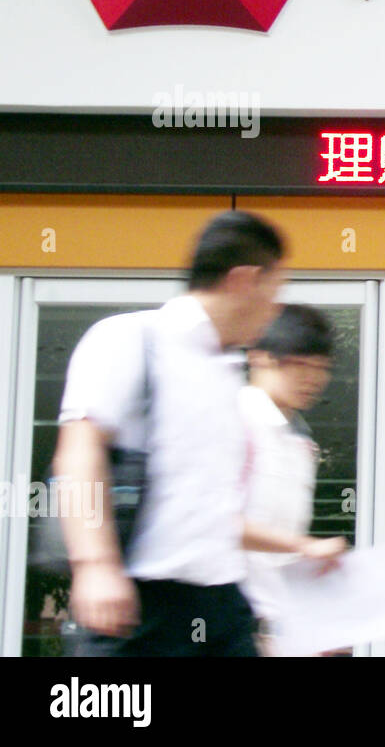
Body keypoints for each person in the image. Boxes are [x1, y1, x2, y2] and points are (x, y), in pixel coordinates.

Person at [53, 210, 299, 656]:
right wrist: (94, 564)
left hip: (221, 607)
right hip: (141, 607)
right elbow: (79, 454)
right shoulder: (130, 339)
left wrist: (301, 550)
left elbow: (215, 513)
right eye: (274, 291)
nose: (275, 310)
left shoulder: (228, 377)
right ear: (243, 281)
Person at [239, 304, 348, 655]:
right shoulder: (234, 422)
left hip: (274, 635)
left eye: (322, 368)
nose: (313, 379)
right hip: (220, 625)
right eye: (301, 365)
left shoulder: (299, 442)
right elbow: (209, 519)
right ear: (261, 358)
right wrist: (303, 547)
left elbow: (278, 556)